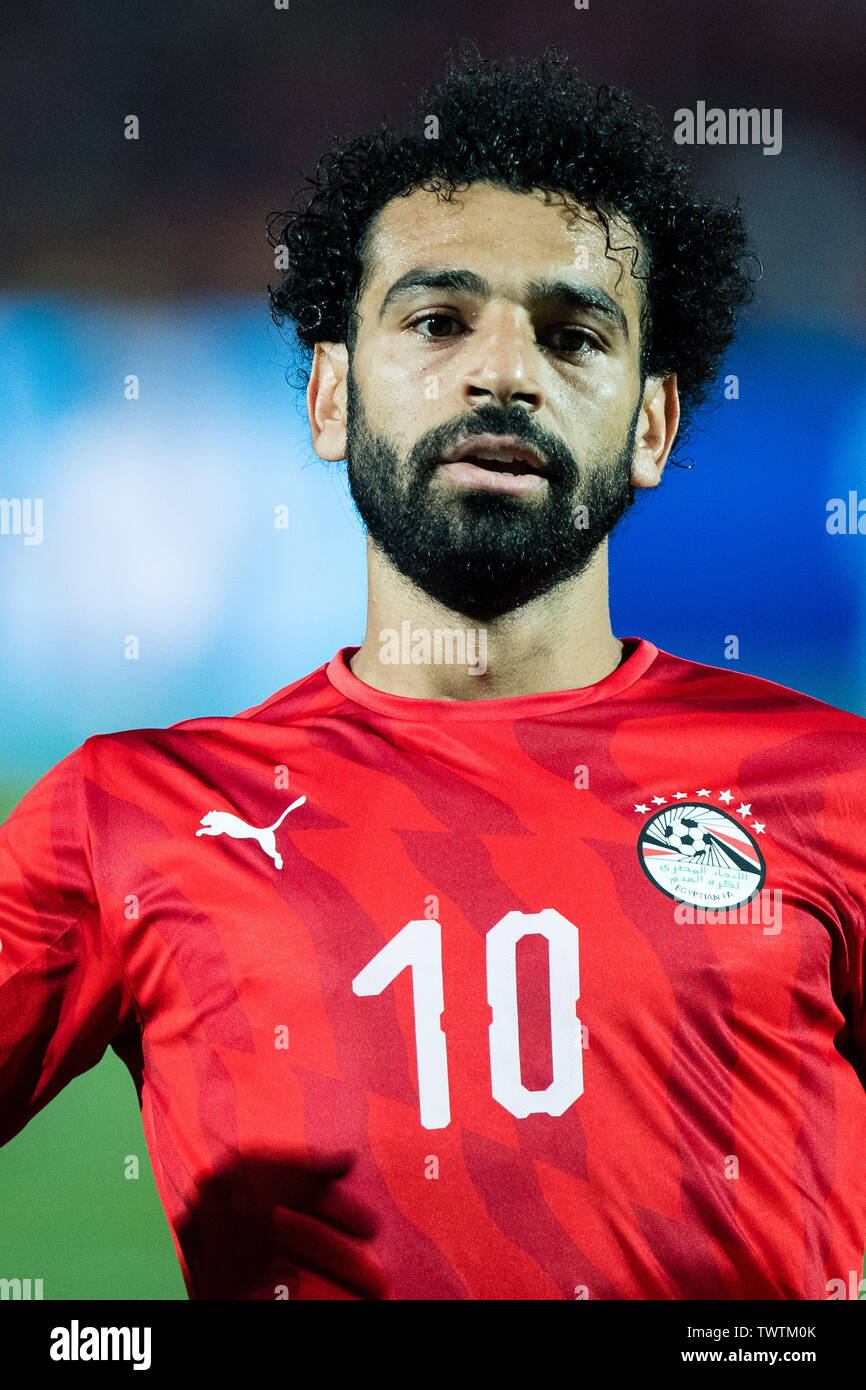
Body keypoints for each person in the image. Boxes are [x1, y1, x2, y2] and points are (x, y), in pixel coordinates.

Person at [2, 45, 864, 1301]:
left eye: (571, 335)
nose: (501, 372)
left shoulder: (832, 785)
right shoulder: (124, 820)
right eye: (436, 320)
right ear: (328, 397)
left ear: (653, 427)